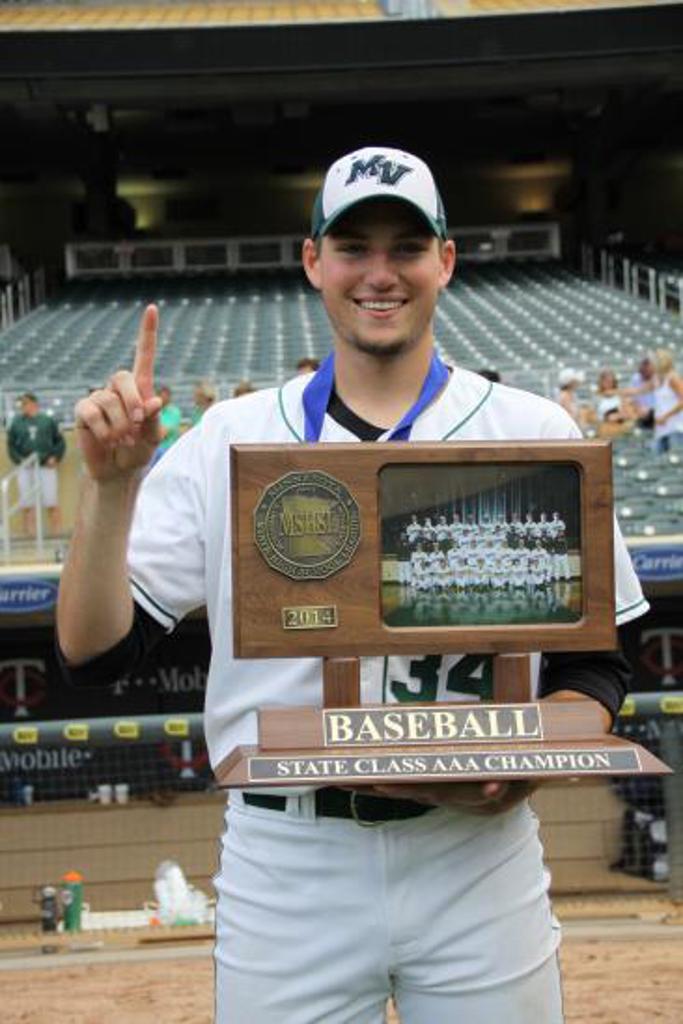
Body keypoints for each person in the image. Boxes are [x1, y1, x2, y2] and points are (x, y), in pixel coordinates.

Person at [57, 146, 648, 1024]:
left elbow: (603, 658)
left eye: (406, 246)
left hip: (476, 856)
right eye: (353, 245)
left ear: (445, 261)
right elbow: (94, 653)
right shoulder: (228, 436)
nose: (380, 272)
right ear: (313, 262)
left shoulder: (531, 428)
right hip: (288, 854)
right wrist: (110, 493)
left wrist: (531, 754)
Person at [7, 392, 65, 535]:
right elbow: (11, 445)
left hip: (45, 465)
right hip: (25, 466)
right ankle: (30, 534)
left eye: (25, 403)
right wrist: (19, 460)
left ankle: (56, 533)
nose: (23, 406)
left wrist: (55, 457)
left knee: (51, 500)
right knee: (27, 503)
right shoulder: (16, 422)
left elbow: (60, 441)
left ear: (34, 404)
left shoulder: (47, 420)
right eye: (21, 404)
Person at [152, 384, 182, 464]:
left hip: (167, 448)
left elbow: (163, 433)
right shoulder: (154, 411)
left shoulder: (175, 412)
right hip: (154, 448)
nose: (164, 398)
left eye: (166, 395)